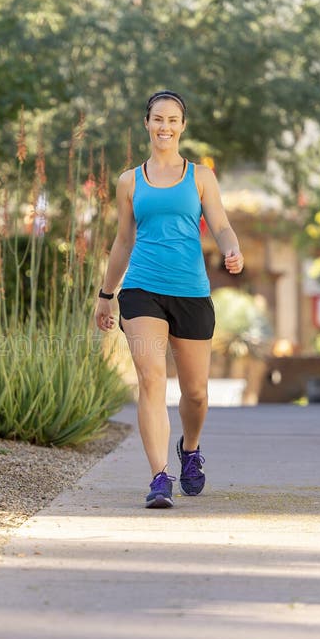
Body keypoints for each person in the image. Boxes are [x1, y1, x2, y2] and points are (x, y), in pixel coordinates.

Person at [95, 90, 244, 509]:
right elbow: (123, 241)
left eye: (172, 120)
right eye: (158, 119)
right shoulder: (130, 181)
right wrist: (106, 294)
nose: (165, 127)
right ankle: (159, 476)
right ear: (146, 123)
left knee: (195, 393)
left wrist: (232, 249)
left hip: (191, 291)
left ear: (182, 126)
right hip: (141, 289)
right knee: (151, 379)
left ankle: (190, 449)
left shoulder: (200, 176)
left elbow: (221, 226)